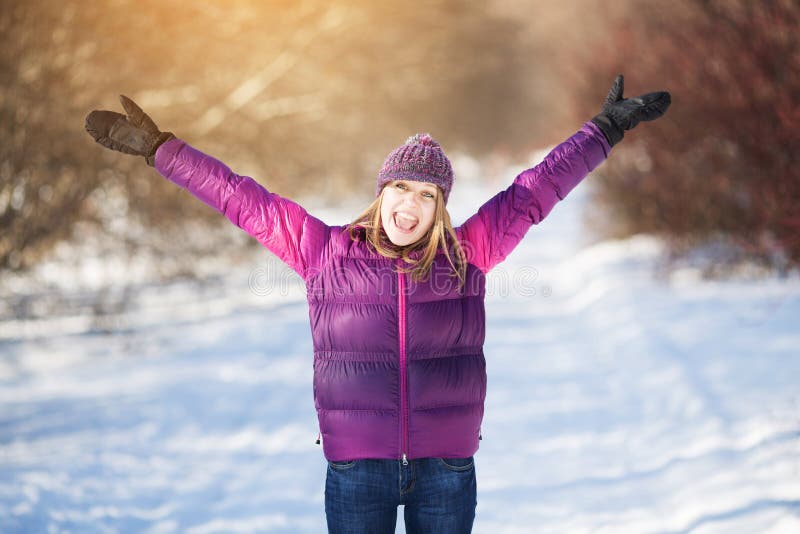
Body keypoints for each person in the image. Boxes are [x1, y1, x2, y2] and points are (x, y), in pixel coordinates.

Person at [85, 74, 670, 533]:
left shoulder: (466, 255)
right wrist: (162, 150)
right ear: (382, 193)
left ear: (439, 208)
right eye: (401, 188)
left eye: (426, 195)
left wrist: (604, 130)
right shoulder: (324, 252)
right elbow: (243, 199)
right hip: (358, 469)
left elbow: (532, 193)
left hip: (445, 468)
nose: (410, 205)